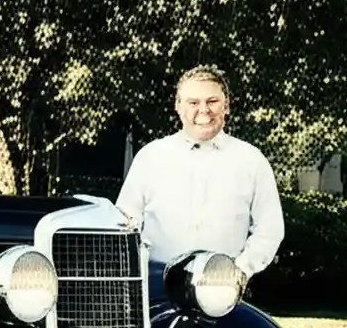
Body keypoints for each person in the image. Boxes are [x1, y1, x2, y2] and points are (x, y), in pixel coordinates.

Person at [116, 65, 284, 293]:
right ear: (178, 107)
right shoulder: (151, 157)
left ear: (226, 106)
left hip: (221, 292)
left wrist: (240, 271)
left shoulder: (252, 161)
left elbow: (270, 229)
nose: (203, 110)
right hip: (155, 288)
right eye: (193, 103)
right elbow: (124, 224)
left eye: (212, 101)